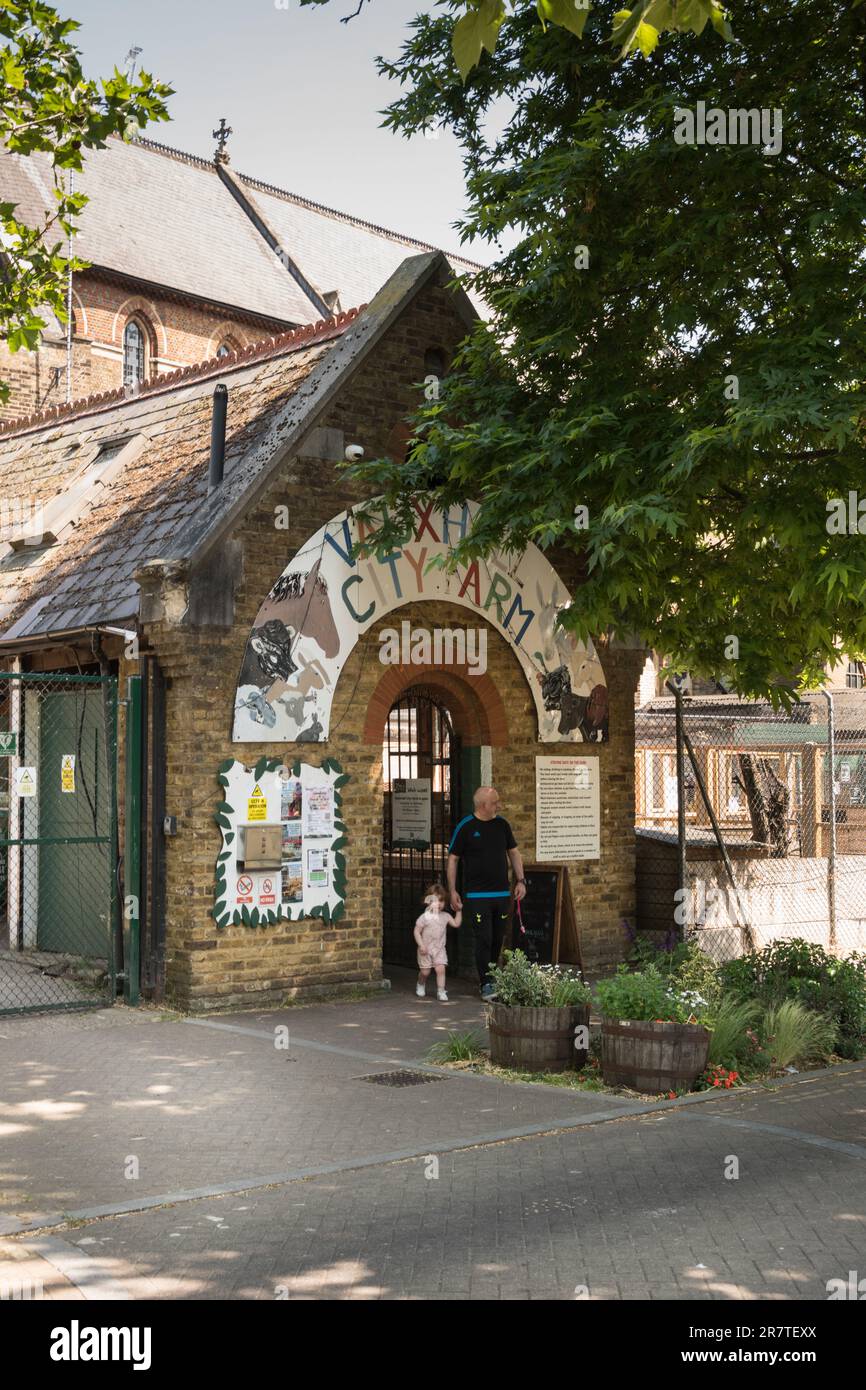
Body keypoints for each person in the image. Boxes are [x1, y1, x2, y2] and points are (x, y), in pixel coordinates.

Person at [447, 786, 526, 999]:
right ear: (483, 805)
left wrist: (521, 880)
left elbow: (514, 853)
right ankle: (486, 982)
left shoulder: (502, 825)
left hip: (501, 894)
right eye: (495, 802)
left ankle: (493, 976)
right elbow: (453, 858)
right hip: (477, 895)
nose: (499, 805)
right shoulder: (466, 826)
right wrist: (452, 890)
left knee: (497, 938)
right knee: (484, 938)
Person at [414, 883, 461, 1002]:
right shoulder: (424, 917)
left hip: (439, 949)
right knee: (425, 972)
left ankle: (441, 991)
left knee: (440, 969)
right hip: (425, 949)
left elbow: (456, 924)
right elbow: (416, 931)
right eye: (435, 901)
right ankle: (420, 983)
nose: (438, 904)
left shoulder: (445, 916)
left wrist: (459, 910)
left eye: (441, 901)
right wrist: (421, 945)